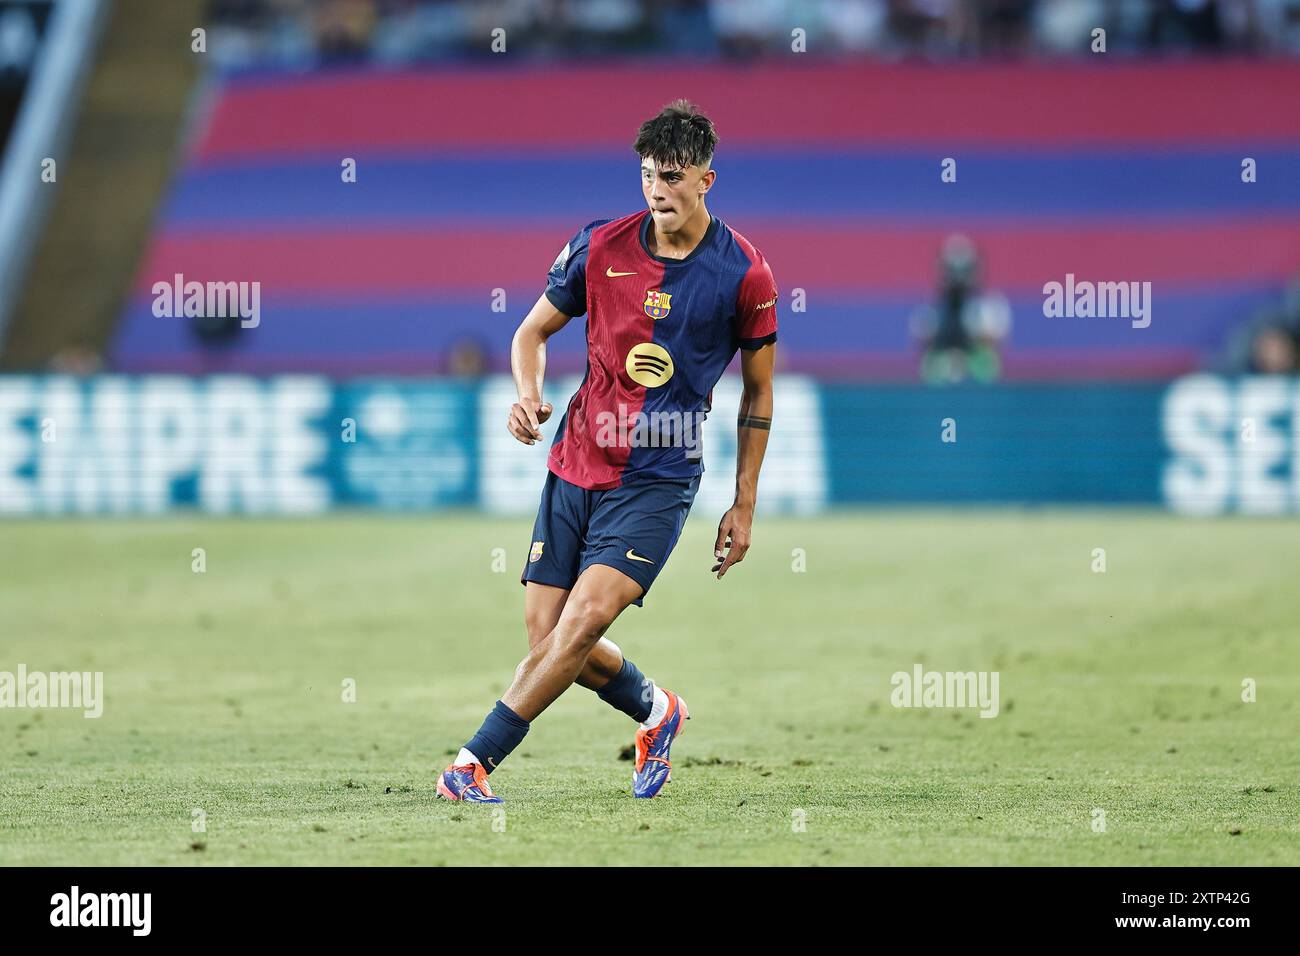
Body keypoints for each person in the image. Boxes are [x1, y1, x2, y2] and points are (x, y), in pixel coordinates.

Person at [436, 100, 779, 802]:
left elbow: (758, 397)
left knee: (584, 621)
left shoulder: (745, 274)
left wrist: (744, 504)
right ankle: (658, 711)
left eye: (674, 177)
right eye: (650, 174)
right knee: (549, 639)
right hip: (575, 461)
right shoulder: (599, 247)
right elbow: (529, 334)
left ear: (707, 180)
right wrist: (527, 393)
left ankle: (472, 763)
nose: (658, 190)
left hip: (659, 473)